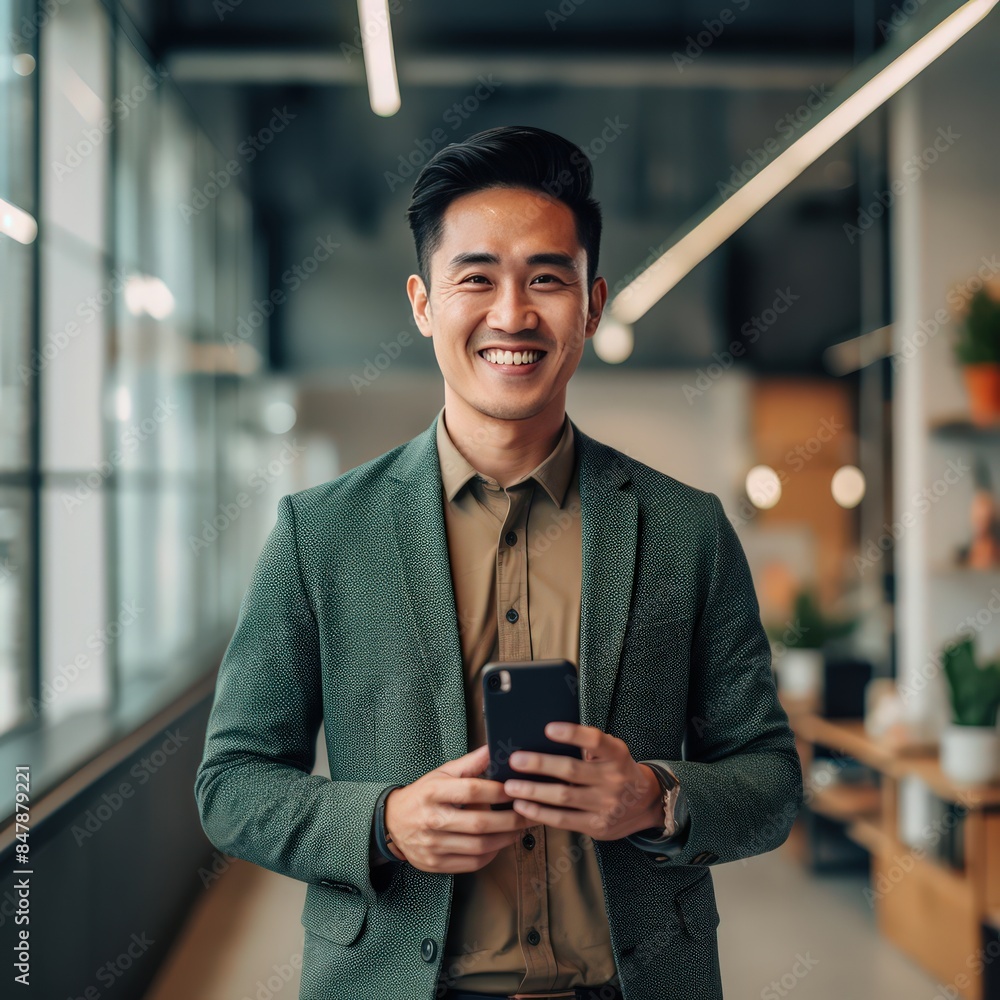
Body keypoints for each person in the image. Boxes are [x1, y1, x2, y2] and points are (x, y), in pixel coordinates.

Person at [195, 125, 803, 1000]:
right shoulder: (319, 534)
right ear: (423, 303)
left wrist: (654, 798)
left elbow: (770, 779)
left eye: (546, 279)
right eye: (475, 278)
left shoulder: (686, 529)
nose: (513, 315)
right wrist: (383, 822)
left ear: (592, 305)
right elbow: (232, 785)